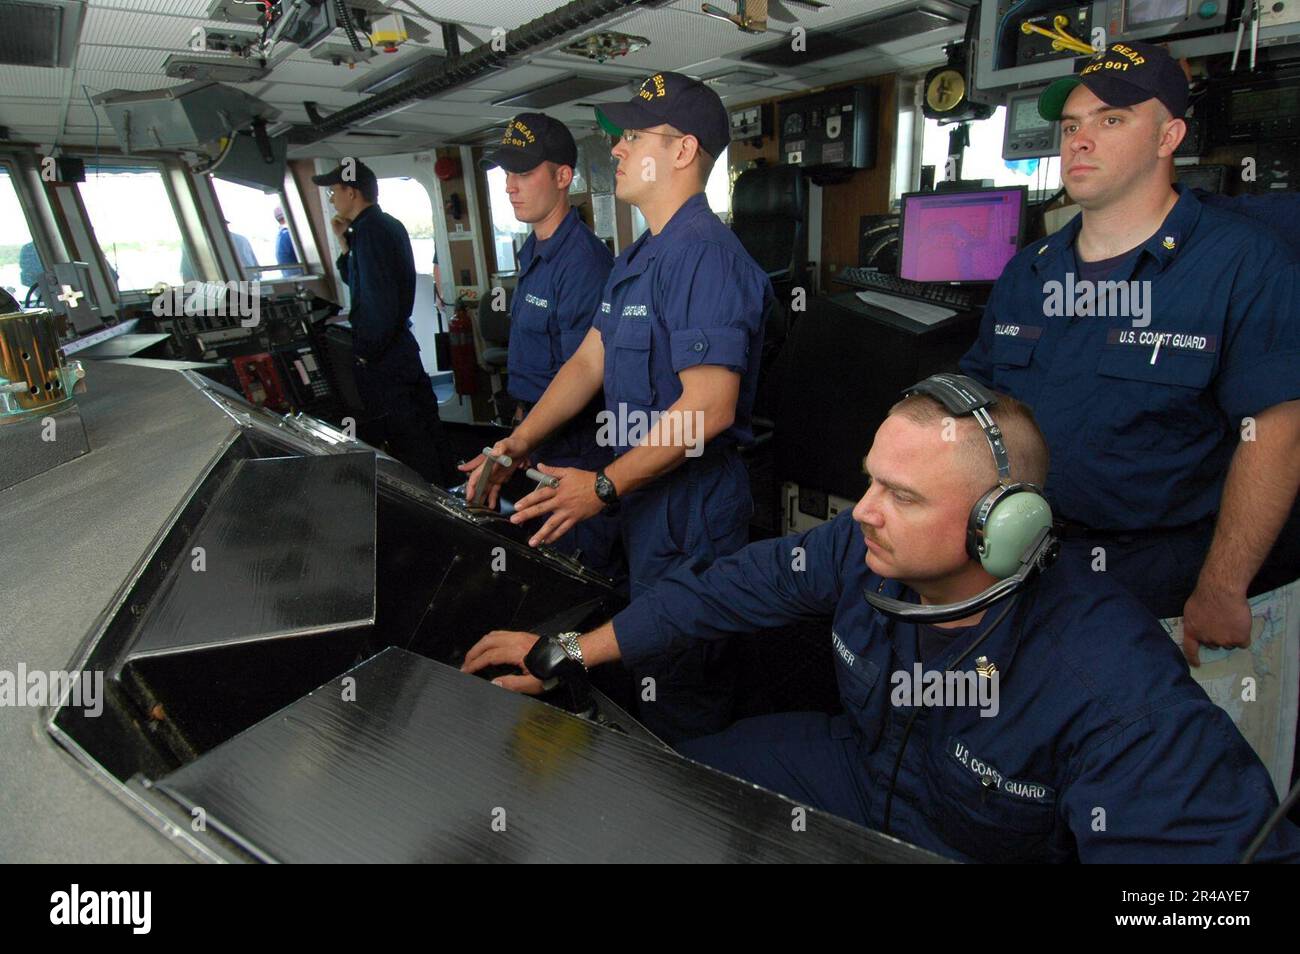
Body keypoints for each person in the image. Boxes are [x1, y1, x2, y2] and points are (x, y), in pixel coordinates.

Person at [462, 378, 1300, 863]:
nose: (862, 511)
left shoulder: (1106, 680)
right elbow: (716, 591)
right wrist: (571, 650)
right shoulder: (857, 548)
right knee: (673, 781)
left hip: (980, 845)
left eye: (900, 495)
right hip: (860, 771)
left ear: (1002, 526)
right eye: (870, 480)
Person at [958, 40, 1300, 665]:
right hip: (1031, 570)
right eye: (1071, 125)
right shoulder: (1027, 273)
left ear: (1169, 136)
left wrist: (1222, 587)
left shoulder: (1245, 263)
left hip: (1167, 592)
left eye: (1111, 120)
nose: (1079, 141)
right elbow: (978, 409)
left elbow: (1276, 436)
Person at [463, 72, 772, 742]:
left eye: (634, 135)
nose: (619, 150)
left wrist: (603, 485)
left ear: (683, 151)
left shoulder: (706, 257)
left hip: (691, 510)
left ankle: (695, 806)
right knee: (644, 660)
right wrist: (519, 443)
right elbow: (587, 362)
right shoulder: (640, 256)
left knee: (681, 676)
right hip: (646, 501)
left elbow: (710, 407)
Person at [478, 112, 621, 578]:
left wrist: (523, 440)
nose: (509, 186)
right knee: (546, 562)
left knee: (580, 572)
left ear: (563, 177)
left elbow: (582, 374)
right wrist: (516, 440)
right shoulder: (533, 249)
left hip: (578, 450)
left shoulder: (583, 264)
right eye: (506, 175)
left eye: (522, 173)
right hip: (540, 437)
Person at [313, 159, 458, 486]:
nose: (332, 199)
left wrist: (365, 354)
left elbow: (379, 303)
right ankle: (450, 489)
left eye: (334, 191)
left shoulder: (371, 233)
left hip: (385, 357)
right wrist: (344, 245)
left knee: (407, 436)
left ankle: (432, 506)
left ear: (351, 192)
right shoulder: (382, 227)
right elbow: (361, 282)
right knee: (425, 426)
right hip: (400, 348)